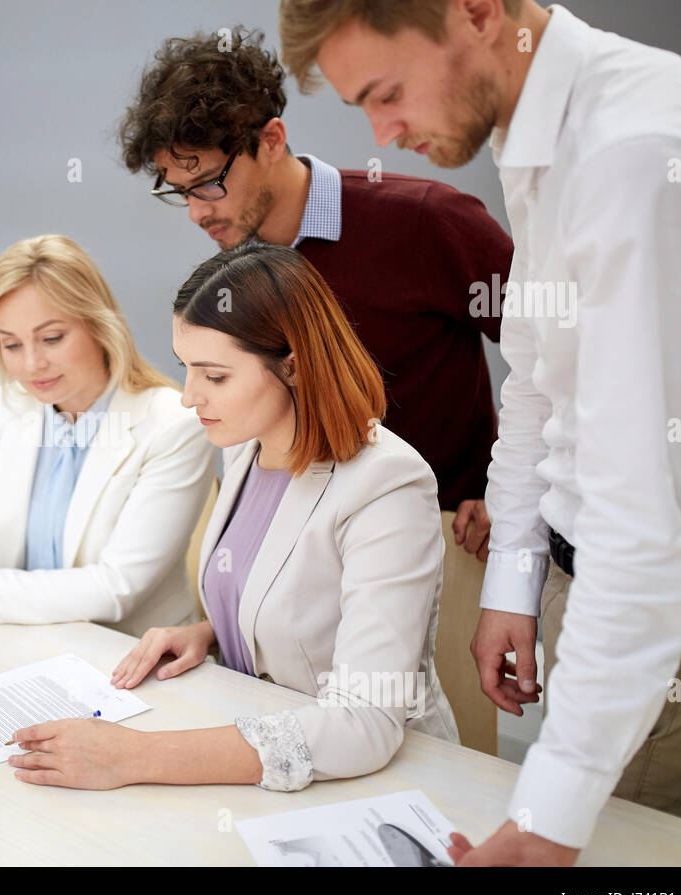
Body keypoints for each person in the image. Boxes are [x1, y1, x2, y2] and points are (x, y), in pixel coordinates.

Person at [279, 0, 681, 864]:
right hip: (588, 574)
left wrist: (547, 822)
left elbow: (640, 528)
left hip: (674, 608)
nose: (382, 130)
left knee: (609, 877)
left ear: (476, 13)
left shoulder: (631, 157)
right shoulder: (536, 135)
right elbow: (537, 384)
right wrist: (515, 585)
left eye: (388, 91)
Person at [117, 28, 512, 749]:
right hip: (307, 534)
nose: (200, 212)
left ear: (271, 138)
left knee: (442, 770)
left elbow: (557, 362)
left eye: (210, 183)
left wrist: (512, 482)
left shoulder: (426, 222)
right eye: (181, 193)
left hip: (444, 530)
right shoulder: (237, 262)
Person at [7, 241, 457, 790]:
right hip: (253, 744)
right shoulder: (244, 444)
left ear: (293, 368)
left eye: (214, 377)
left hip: (374, 776)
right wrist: (213, 632)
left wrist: (134, 758)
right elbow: (289, 595)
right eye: (187, 370)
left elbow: (362, 720)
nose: (188, 397)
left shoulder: (387, 485)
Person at [0, 235, 214, 637]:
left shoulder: (173, 425)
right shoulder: (6, 408)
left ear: (98, 324)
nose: (33, 364)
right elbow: (4, 554)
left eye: (52, 338)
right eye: (12, 345)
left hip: (135, 655)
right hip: (35, 644)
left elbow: (115, 589)